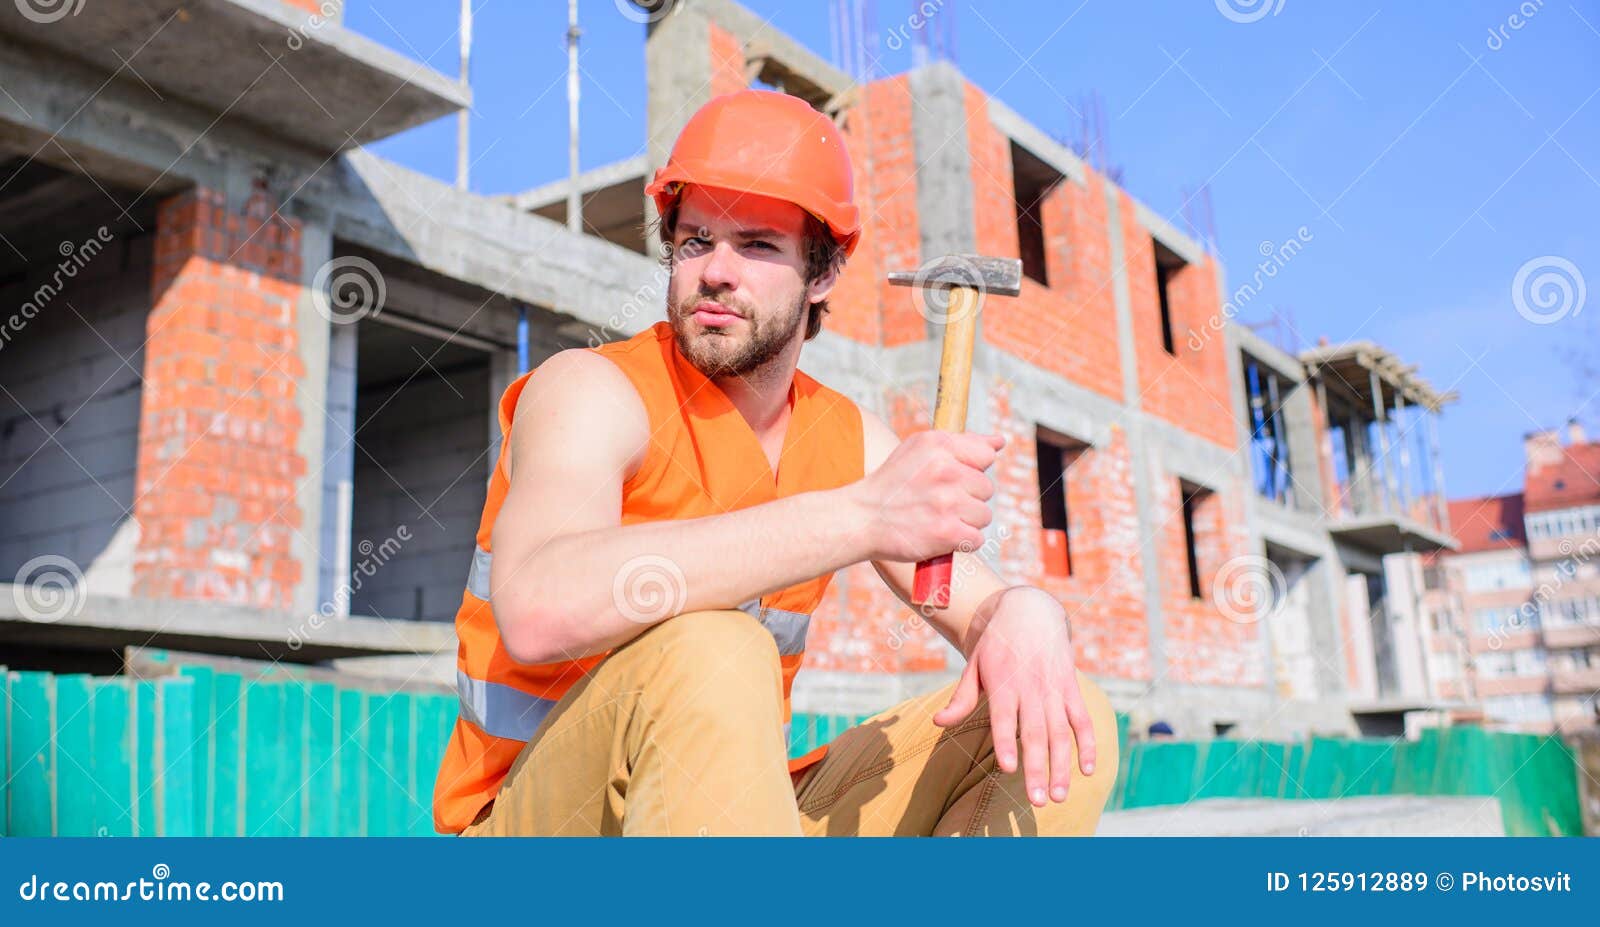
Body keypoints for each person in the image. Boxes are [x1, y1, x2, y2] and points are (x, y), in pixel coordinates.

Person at [432, 89, 1118, 837]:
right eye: (696, 241)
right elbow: (537, 608)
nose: (716, 271)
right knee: (717, 647)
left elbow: (979, 606)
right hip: (536, 833)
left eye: (756, 244)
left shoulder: (840, 437)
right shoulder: (593, 391)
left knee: (1064, 709)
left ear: (822, 273)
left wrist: (1026, 612)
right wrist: (857, 516)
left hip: (713, 818)